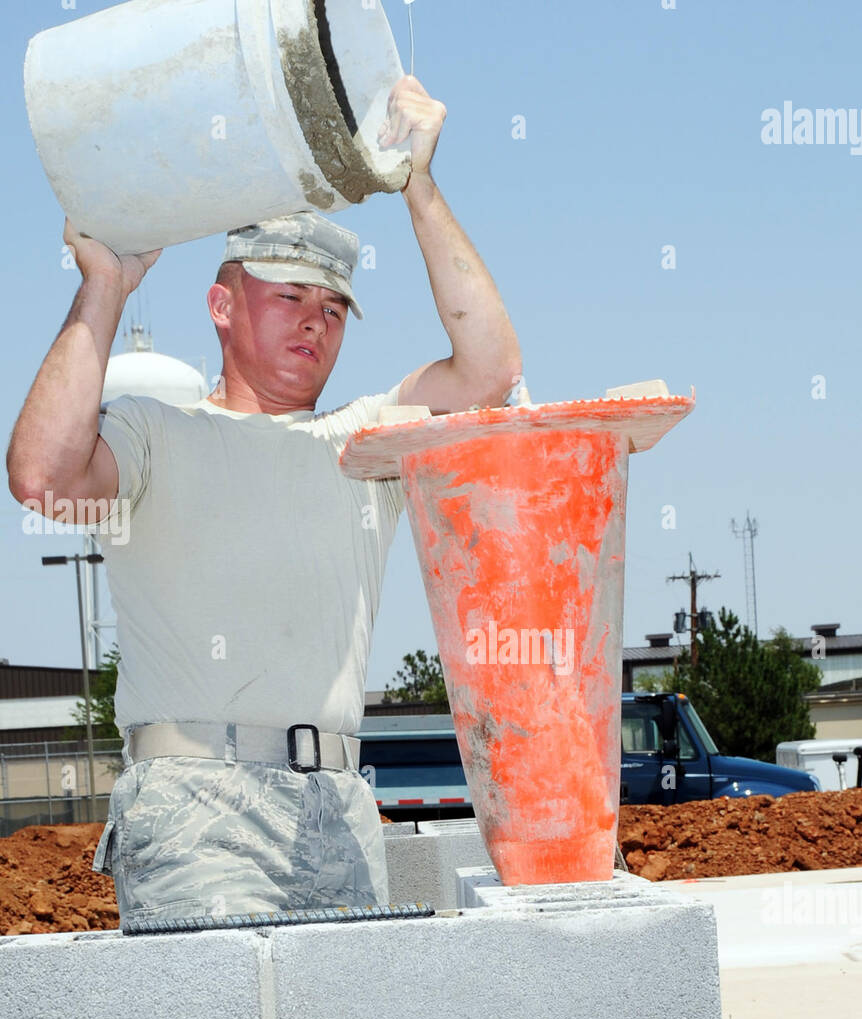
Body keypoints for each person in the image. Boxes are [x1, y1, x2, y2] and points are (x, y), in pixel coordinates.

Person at [7, 75, 522, 929]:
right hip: (194, 808)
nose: (315, 322)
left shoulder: (362, 443)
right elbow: (45, 479)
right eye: (288, 296)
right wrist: (106, 286)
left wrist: (418, 188)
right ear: (221, 305)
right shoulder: (151, 435)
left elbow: (489, 373)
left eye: (333, 308)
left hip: (338, 808)